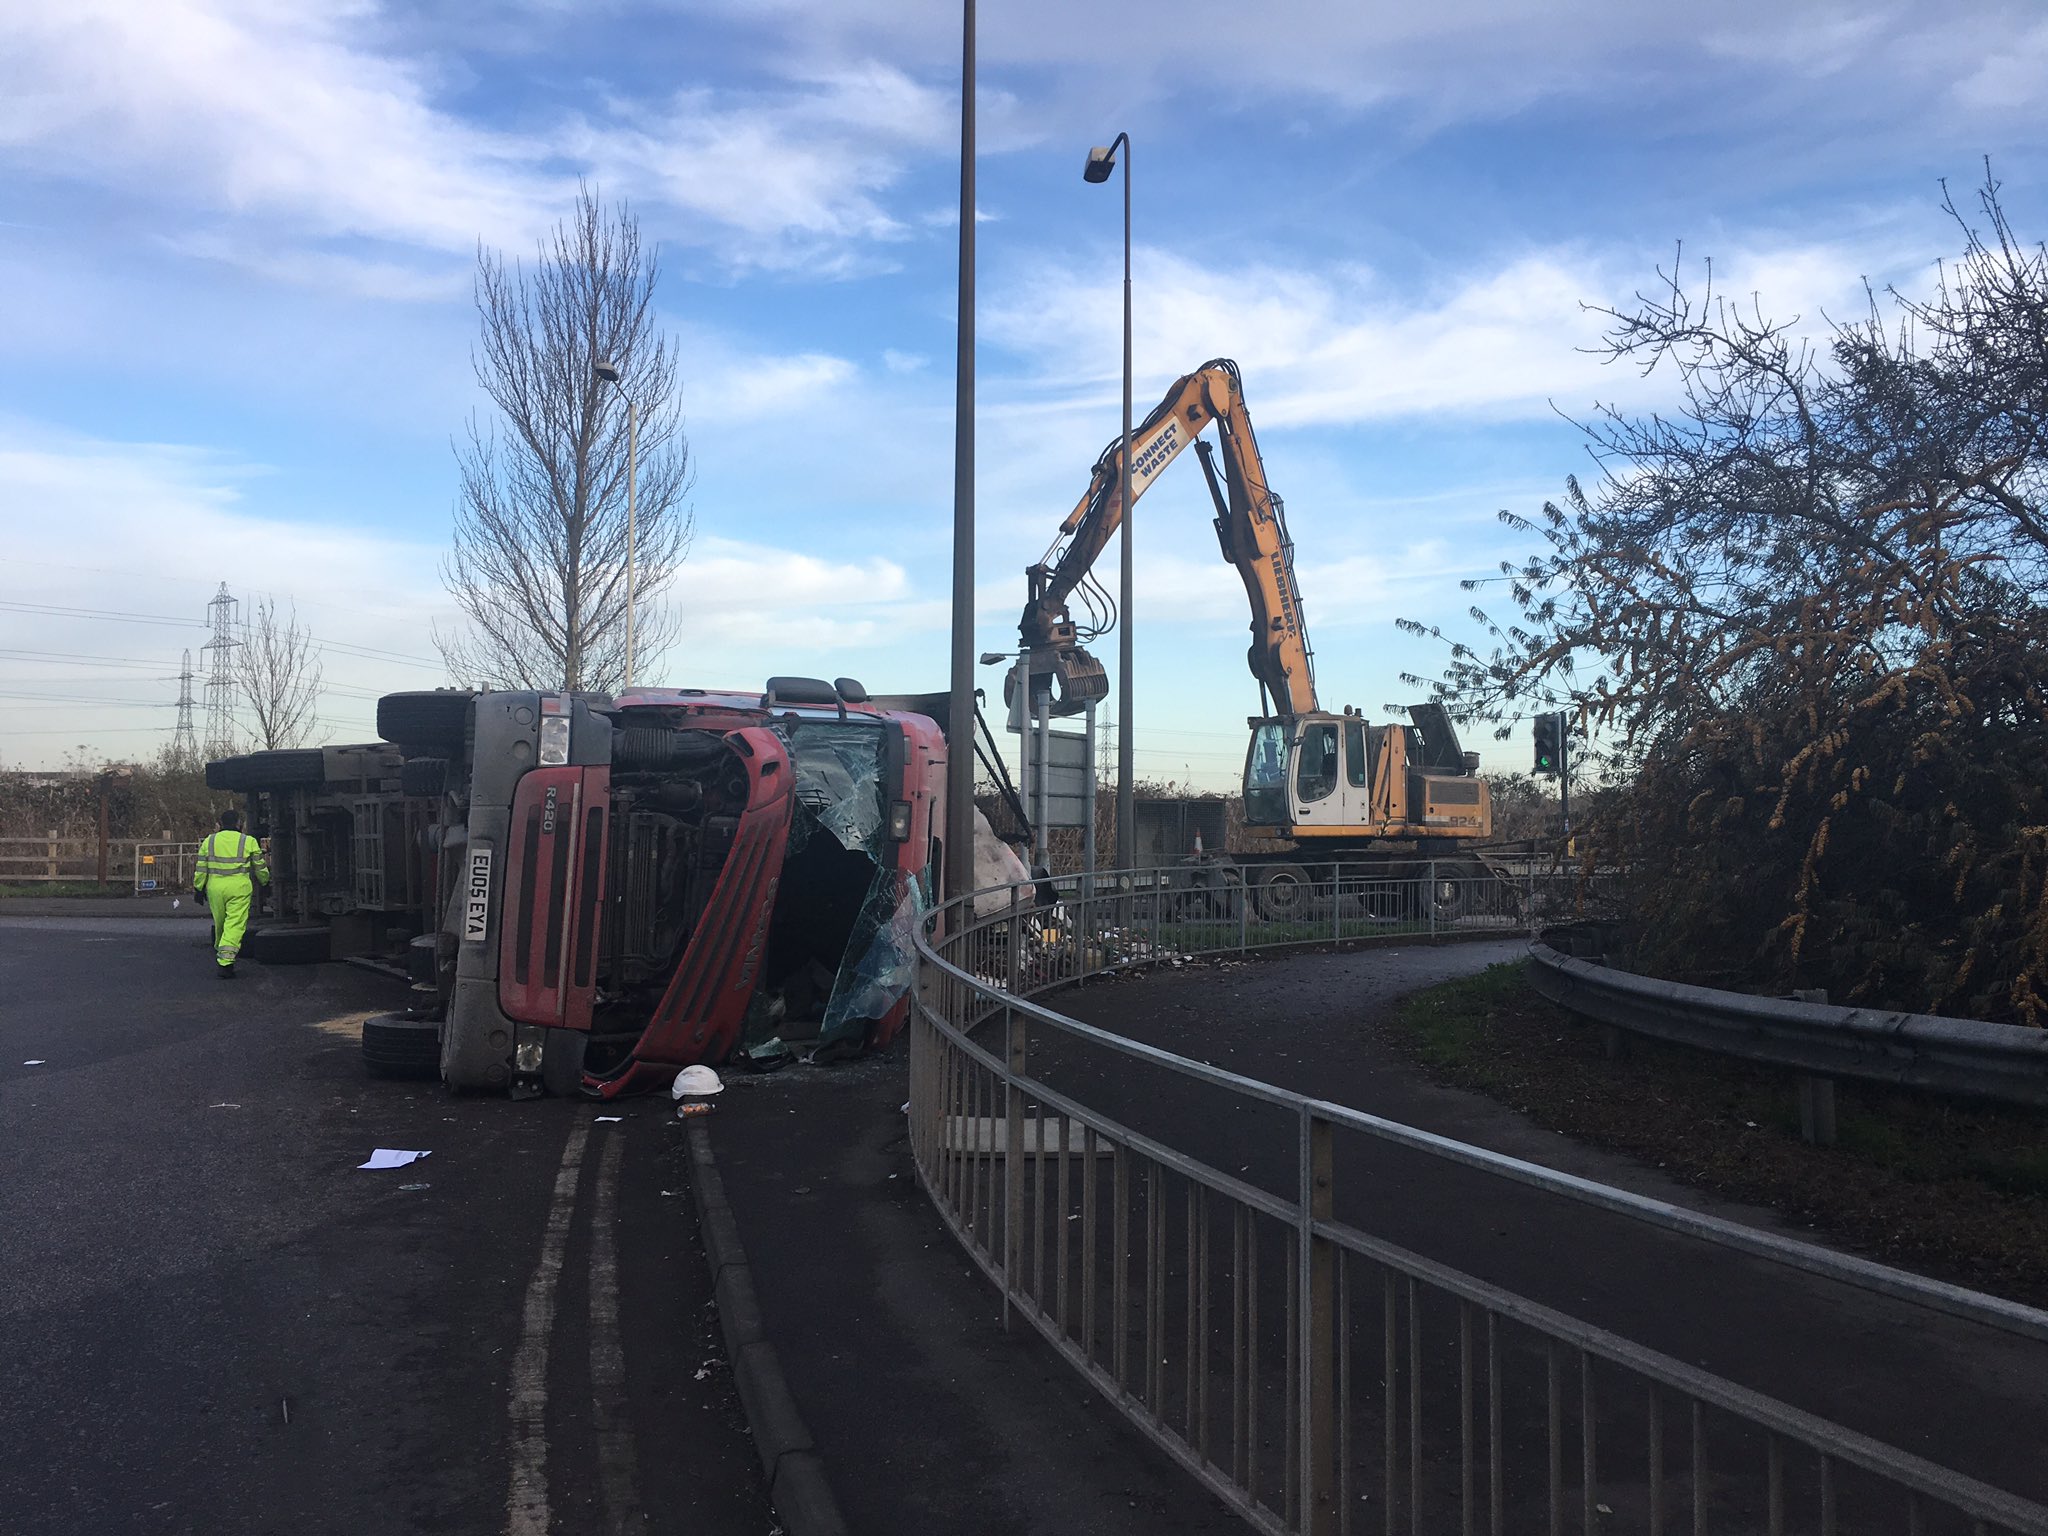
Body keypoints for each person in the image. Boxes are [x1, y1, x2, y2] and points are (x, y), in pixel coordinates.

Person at [193, 808, 270, 979]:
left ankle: (222, 953)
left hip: (215, 888)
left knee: (220, 923)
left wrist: (198, 888)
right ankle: (225, 963)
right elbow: (260, 867)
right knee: (234, 925)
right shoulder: (248, 841)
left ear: (219, 824)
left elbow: (200, 868)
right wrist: (265, 882)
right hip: (239, 887)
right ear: (239, 823)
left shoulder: (209, 841)